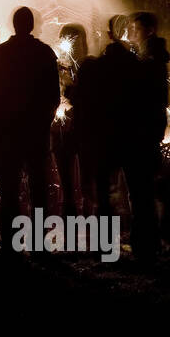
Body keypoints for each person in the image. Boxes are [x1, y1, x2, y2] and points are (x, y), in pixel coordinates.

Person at [0, 6, 60, 254]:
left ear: (14, 24)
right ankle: (39, 244)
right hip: (35, 132)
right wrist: (44, 121)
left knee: (9, 187)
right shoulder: (44, 53)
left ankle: (10, 244)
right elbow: (54, 96)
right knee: (38, 187)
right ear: (31, 25)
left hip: (8, 132)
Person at [125, 11, 170, 264]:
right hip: (148, 132)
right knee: (144, 190)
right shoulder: (152, 58)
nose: (132, 33)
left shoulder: (149, 61)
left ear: (149, 30)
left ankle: (146, 247)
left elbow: (146, 98)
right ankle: (152, 243)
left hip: (143, 133)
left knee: (140, 190)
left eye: (136, 29)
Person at [52, 23, 94, 223]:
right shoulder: (57, 66)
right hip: (64, 129)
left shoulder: (89, 66)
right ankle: (71, 222)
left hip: (82, 129)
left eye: (74, 40)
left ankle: (89, 223)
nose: (71, 45)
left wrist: (70, 90)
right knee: (68, 181)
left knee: (86, 181)